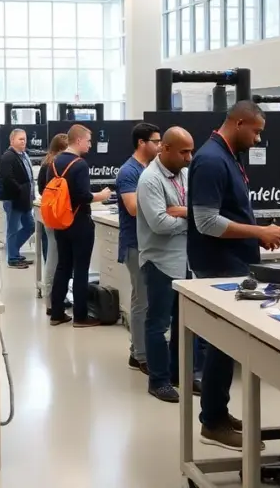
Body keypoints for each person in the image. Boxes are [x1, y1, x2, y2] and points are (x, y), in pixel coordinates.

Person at [187, 101, 280, 449]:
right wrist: (258, 233)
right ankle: (212, 422)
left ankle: (217, 411)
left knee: (225, 347)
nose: (258, 139)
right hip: (218, 263)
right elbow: (206, 222)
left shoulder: (228, 155)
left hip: (231, 259)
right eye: (256, 131)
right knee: (222, 343)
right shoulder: (212, 160)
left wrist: (257, 234)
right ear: (239, 122)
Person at [136, 127, 203, 403]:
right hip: (160, 261)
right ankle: (159, 380)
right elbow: (160, 224)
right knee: (159, 324)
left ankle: (181, 375)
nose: (190, 157)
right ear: (165, 148)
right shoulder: (150, 180)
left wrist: (185, 213)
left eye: (191, 151)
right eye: (184, 151)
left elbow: (198, 208)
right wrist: (192, 220)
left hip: (185, 261)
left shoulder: (186, 174)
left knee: (185, 323)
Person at [48, 124, 112, 328]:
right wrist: (102, 196)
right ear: (78, 140)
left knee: (63, 266)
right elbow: (83, 196)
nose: (90, 145)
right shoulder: (80, 164)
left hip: (60, 221)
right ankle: (80, 316)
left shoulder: (54, 162)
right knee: (81, 269)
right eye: (88, 141)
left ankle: (56, 312)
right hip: (80, 222)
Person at [115, 121, 161, 374]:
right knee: (141, 300)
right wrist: (165, 208)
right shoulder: (129, 171)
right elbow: (133, 208)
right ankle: (141, 355)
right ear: (142, 143)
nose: (160, 145)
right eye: (155, 141)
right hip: (135, 244)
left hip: (150, 243)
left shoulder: (152, 168)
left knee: (148, 300)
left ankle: (139, 350)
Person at [38, 133, 69, 311]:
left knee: (53, 257)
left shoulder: (46, 164)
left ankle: (52, 296)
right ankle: (50, 299)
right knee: (54, 258)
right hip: (58, 216)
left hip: (49, 213)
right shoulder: (57, 165)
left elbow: (42, 190)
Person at [0, 128, 36, 269]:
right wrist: (20, 190)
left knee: (30, 226)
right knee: (13, 229)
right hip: (14, 199)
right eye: (20, 139)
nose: (23, 142)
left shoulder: (23, 155)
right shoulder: (8, 156)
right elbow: (7, 178)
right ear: (12, 140)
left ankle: (13, 250)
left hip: (25, 199)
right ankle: (13, 257)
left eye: (25, 139)